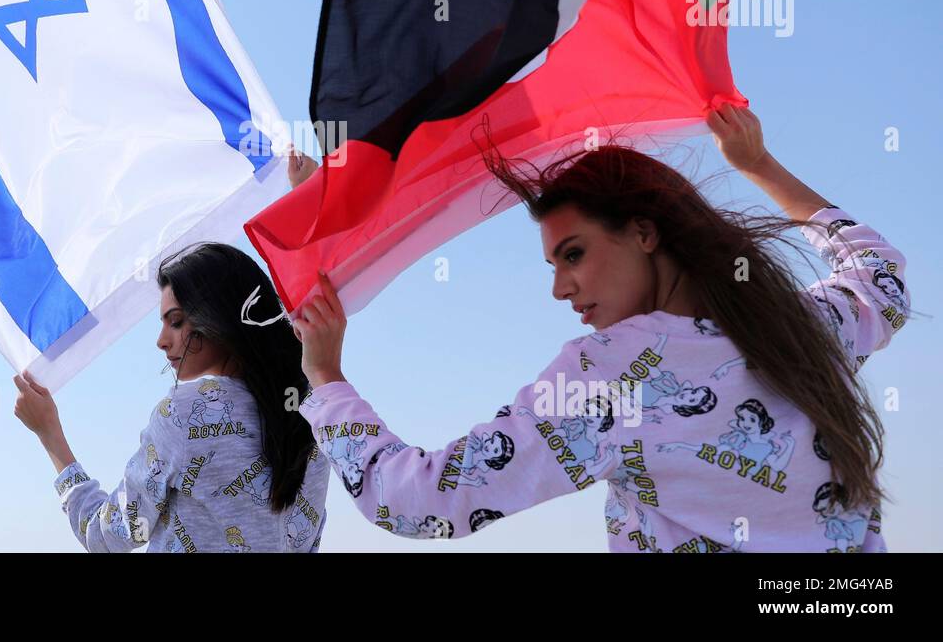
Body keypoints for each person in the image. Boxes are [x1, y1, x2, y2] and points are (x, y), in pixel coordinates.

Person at [289, 105, 910, 552]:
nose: (559, 288)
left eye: (575, 254)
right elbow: (882, 276)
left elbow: (420, 503)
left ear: (644, 232)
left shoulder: (611, 377)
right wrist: (759, 164)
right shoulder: (800, 325)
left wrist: (325, 377)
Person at [15, 237, 331, 552]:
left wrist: (50, 434)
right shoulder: (315, 413)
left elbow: (107, 537)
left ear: (219, 318)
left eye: (176, 322)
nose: (162, 341)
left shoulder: (184, 414)